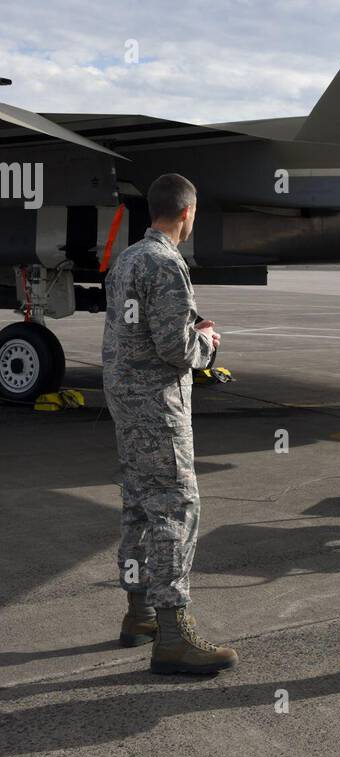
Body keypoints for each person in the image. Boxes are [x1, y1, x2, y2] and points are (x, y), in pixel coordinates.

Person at [102, 172, 238, 675]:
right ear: (188, 212)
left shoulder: (127, 259)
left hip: (127, 401)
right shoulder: (166, 263)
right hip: (157, 407)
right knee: (177, 508)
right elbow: (176, 348)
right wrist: (208, 342)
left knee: (139, 505)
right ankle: (175, 634)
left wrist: (185, 329)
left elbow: (134, 332)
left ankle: (139, 613)